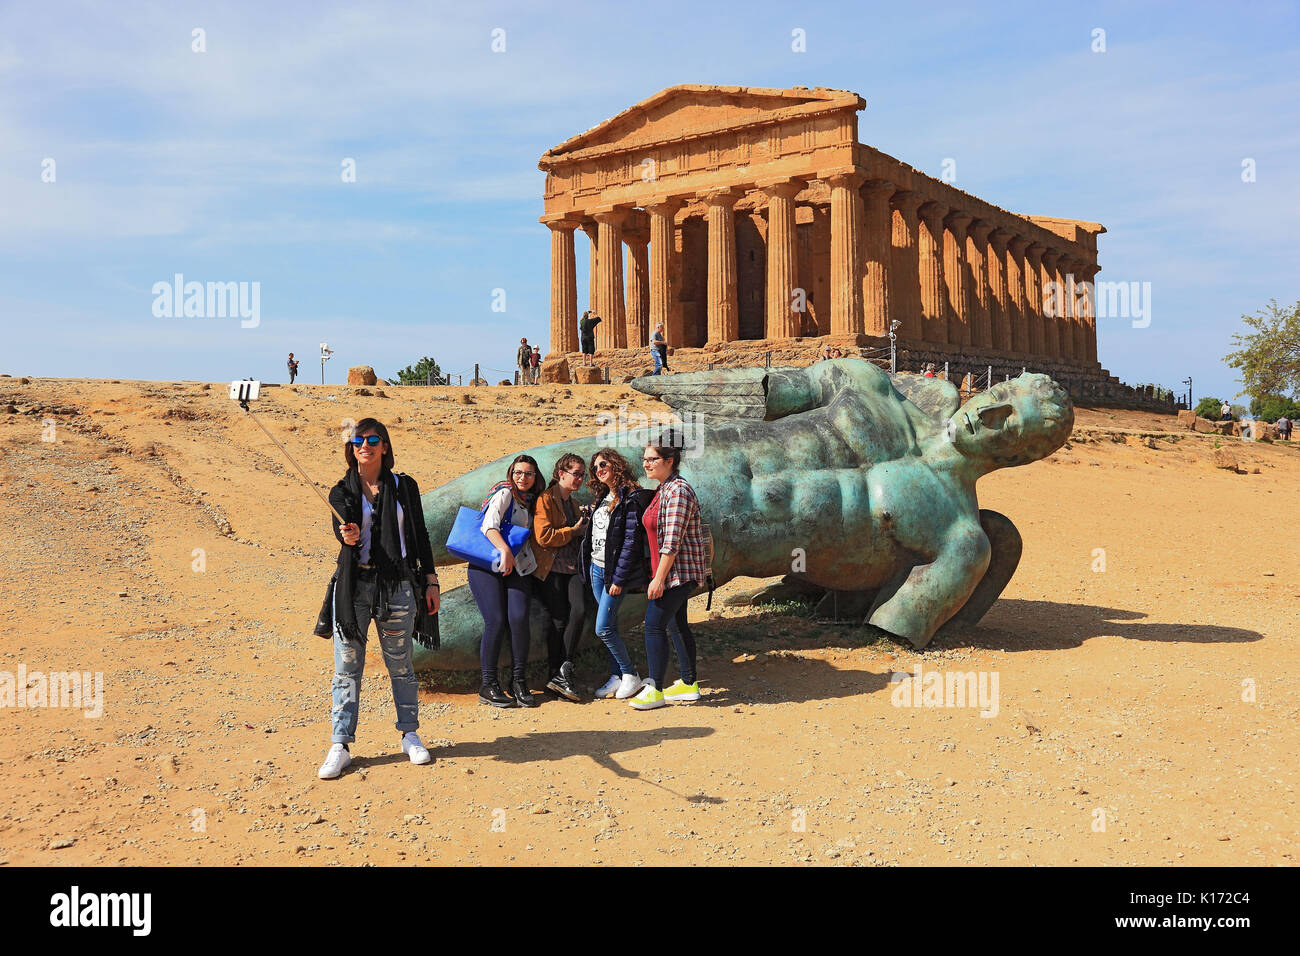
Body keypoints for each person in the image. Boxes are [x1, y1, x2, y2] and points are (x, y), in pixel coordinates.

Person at [318, 418, 441, 780]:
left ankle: (410, 734)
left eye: (373, 439)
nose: (365, 445)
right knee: (347, 669)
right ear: (351, 448)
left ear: (384, 447)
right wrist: (350, 536)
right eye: (358, 440)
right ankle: (340, 745)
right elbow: (344, 534)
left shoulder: (405, 487)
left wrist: (430, 580)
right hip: (354, 587)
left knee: (401, 664)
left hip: (398, 584)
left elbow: (420, 535)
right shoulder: (341, 492)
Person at [631, 433, 708, 710]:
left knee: (653, 626)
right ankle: (688, 685)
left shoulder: (678, 491)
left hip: (676, 574)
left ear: (669, 461)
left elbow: (672, 541)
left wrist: (659, 579)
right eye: (644, 459)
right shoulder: (665, 488)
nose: (646, 464)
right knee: (677, 625)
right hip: (669, 572)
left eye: (652, 459)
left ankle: (655, 689)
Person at [580, 448, 652, 699]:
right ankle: (616, 675)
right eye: (596, 467)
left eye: (603, 465)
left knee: (603, 629)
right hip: (596, 568)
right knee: (609, 624)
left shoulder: (630, 498)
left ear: (616, 466)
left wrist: (619, 579)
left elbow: (631, 542)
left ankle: (631, 674)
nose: (599, 470)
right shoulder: (603, 496)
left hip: (612, 574)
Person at [470, 455, 542, 707]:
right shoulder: (505, 494)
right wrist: (506, 552)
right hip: (486, 565)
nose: (523, 478)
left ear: (536, 477)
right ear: (511, 474)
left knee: (519, 619)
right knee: (496, 621)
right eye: (518, 472)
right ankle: (488, 685)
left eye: (529, 474)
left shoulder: (534, 501)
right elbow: (489, 526)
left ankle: (518, 681)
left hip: (518, 567)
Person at [531, 453, 590, 701]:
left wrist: (584, 526)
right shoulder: (545, 500)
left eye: (582, 475)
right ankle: (556, 674)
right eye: (575, 473)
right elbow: (544, 536)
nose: (579, 478)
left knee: (579, 611)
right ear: (560, 473)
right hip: (551, 567)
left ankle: (562, 671)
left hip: (572, 567)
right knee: (558, 620)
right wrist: (574, 530)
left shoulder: (574, 503)